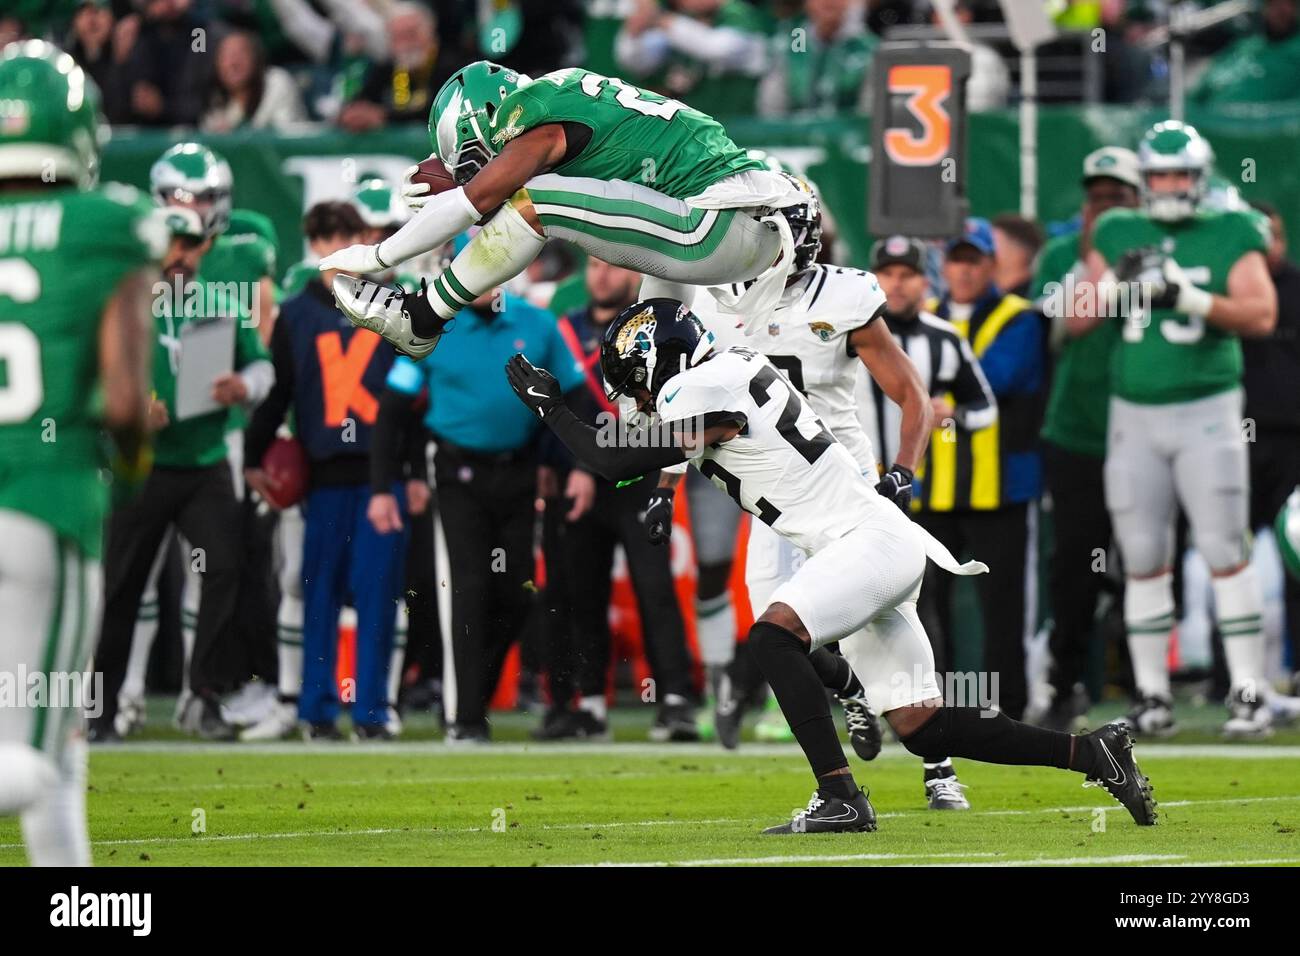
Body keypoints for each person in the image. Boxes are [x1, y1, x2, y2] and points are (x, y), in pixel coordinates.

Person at [505, 300, 1157, 833]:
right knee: (924, 724)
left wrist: (552, 409)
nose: (637, 395)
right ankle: (1091, 752)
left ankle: (839, 794)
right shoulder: (726, 368)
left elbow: (618, 457)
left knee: (771, 635)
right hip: (875, 542)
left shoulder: (695, 385)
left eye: (634, 377)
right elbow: (671, 445)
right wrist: (658, 487)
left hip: (862, 542)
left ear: (659, 359)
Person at [322, 60, 810, 360]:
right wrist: (452, 178)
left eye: (467, 156)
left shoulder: (537, 116)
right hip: (726, 221)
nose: (472, 169)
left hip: (716, 222)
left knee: (536, 204)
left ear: (485, 116)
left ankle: (421, 318)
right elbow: (494, 197)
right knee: (651, 359)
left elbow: (481, 200)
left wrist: (380, 255)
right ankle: (657, 456)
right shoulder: (563, 100)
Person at [0, 40, 162, 866]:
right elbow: (128, 400)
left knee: (55, 744)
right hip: (45, 499)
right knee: (30, 748)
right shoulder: (106, 222)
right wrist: (130, 463)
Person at [1081, 121, 1279, 737]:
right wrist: (1119, 283)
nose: (1169, 186)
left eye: (1179, 175)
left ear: (1200, 177)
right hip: (1133, 413)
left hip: (1207, 410)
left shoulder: (1230, 228)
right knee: (1142, 556)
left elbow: (1262, 314)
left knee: (1225, 547)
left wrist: (1187, 298)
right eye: (1160, 175)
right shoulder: (1118, 229)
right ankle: (1152, 697)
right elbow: (1077, 313)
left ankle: (1249, 691)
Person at [374, 283, 584, 743]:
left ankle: (473, 695)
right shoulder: (430, 324)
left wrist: (578, 466)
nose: (489, 284)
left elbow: (574, 398)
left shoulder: (537, 323)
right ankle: (462, 719)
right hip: (455, 472)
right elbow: (391, 408)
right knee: (465, 590)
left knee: (518, 591)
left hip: (519, 470)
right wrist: (383, 485)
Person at [244, 201, 407, 741]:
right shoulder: (295, 314)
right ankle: (316, 711)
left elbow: (411, 397)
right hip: (325, 476)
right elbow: (279, 394)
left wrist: (416, 473)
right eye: (326, 236)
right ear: (314, 244)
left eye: (346, 234)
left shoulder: (392, 302)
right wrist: (252, 456)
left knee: (376, 597)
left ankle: (371, 712)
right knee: (320, 596)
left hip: (381, 476)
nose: (335, 245)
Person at [535, 257, 699, 742]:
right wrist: (555, 465)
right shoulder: (561, 331)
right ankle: (587, 703)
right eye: (593, 264)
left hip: (639, 473)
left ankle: (675, 699)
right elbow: (549, 404)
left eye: (612, 265)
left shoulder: (650, 330)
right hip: (579, 480)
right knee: (579, 590)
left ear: (633, 273)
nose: (602, 275)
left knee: (655, 588)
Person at [914, 217, 1044, 723]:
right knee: (924, 607)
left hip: (999, 488)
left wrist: (934, 398)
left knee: (1002, 606)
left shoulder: (1019, 317)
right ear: (943, 265)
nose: (964, 271)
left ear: (991, 264)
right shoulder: (921, 315)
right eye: (956, 260)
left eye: (975, 260)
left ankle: (1007, 707)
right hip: (929, 490)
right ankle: (933, 705)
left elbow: (996, 379)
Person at [1032, 147, 1141, 731]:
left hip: (1148, 428)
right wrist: (1103, 269)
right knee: (1074, 566)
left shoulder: (1160, 257)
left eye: (1118, 198)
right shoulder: (1058, 256)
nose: (1105, 208)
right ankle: (1065, 682)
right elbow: (1068, 323)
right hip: (1077, 432)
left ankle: (1151, 688)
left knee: (1151, 563)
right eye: (1097, 197)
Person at [1242, 201, 1300, 696]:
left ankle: (1298, 669)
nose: (1267, 247)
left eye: (1274, 235)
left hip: (1291, 442)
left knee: (1297, 553)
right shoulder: (1219, 290)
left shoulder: (1298, 288)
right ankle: (1231, 677)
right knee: (1223, 561)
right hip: (1225, 441)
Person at [615, 0, 769, 117]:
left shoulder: (737, 13)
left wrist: (661, 19)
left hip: (742, 126)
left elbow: (716, 49)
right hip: (695, 127)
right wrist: (634, 32)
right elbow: (637, 63)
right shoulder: (683, 20)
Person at [337, 2, 460, 132]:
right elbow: (359, 100)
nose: (405, 44)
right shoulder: (388, 68)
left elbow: (442, 112)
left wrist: (385, 117)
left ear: (430, 32)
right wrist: (351, 114)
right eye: (397, 37)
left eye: (411, 34)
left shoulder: (452, 66)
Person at [758, 0, 876, 117]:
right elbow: (771, 112)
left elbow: (869, 112)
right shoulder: (788, 46)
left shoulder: (868, 49)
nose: (829, 2)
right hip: (796, 133)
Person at [1190, 0, 1300, 108]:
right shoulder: (1244, 47)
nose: (1281, 10)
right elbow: (1205, 87)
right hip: (1213, 118)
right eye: (1273, 4)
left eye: (1289, 4)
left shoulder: (1295, 52)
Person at [201, 29, 307, 133]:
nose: (233, 62)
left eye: (240, 53)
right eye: (226, 56)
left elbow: (284, 135)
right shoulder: (215, 98)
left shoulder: (277, 82)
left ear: (255, 58)